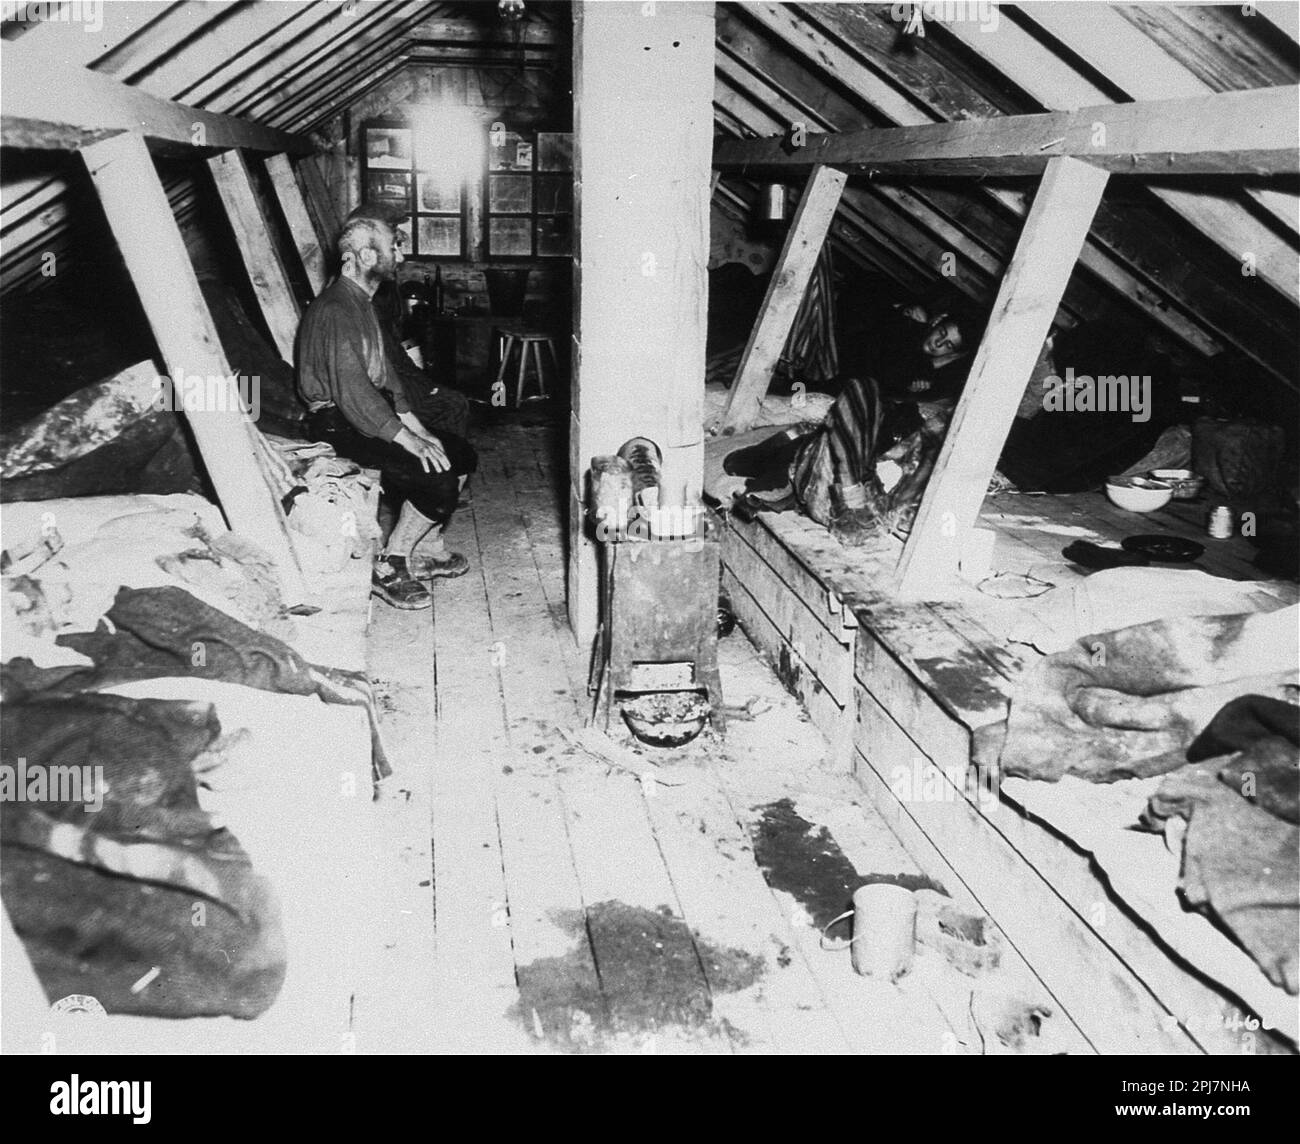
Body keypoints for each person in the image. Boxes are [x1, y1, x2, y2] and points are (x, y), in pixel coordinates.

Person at [296, 216, 477, 609]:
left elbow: (389, 383)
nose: (401, 253)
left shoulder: (361, 301)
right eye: (393, 246)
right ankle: (388, 565)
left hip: (361, 413)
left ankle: (421, 550)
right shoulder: (336, 309)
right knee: (437, 476)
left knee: (460, 454)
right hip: (335, 422)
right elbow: (355, 394)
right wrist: (409, 440)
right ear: (364, 255)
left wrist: (421, 431)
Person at [726, 305, 987, 546]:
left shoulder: (940, 426)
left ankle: (787, 454)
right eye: (941, 333)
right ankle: (784, 455)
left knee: (863, 400)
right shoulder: (903, 338)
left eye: (948, 345)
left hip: (863, 505)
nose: (939, 343)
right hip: (847, 490)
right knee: (861, 394)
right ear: (936, 322)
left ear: (954, 354)